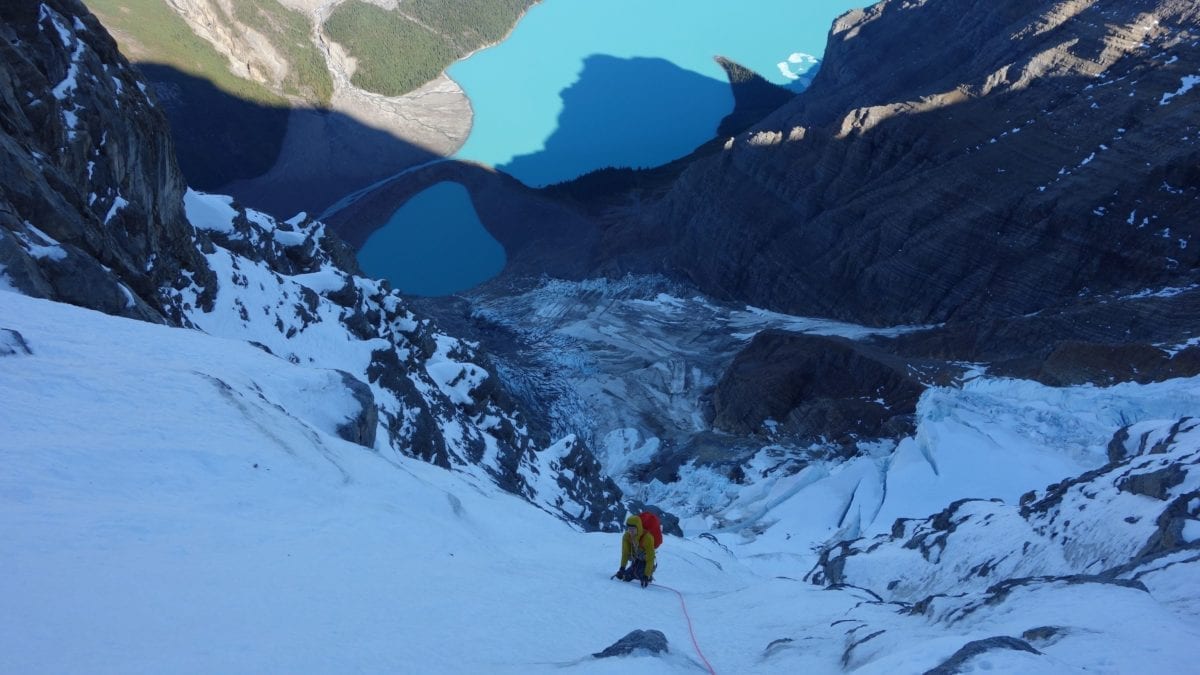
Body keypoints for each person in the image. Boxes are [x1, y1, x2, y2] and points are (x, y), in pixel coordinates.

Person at [615, 515, 656, 588]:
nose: (630, 531)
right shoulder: (626, 537)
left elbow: (650, 558)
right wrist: (622, 569)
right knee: (626, 577)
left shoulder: (648, 538)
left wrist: (646, 575)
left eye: (633, 529)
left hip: (646, 559)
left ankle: (648, 575)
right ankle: (635, 568)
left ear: (639, 528)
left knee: (640, 574)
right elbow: (625, 553)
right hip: (636, 558)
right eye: (629, 529)